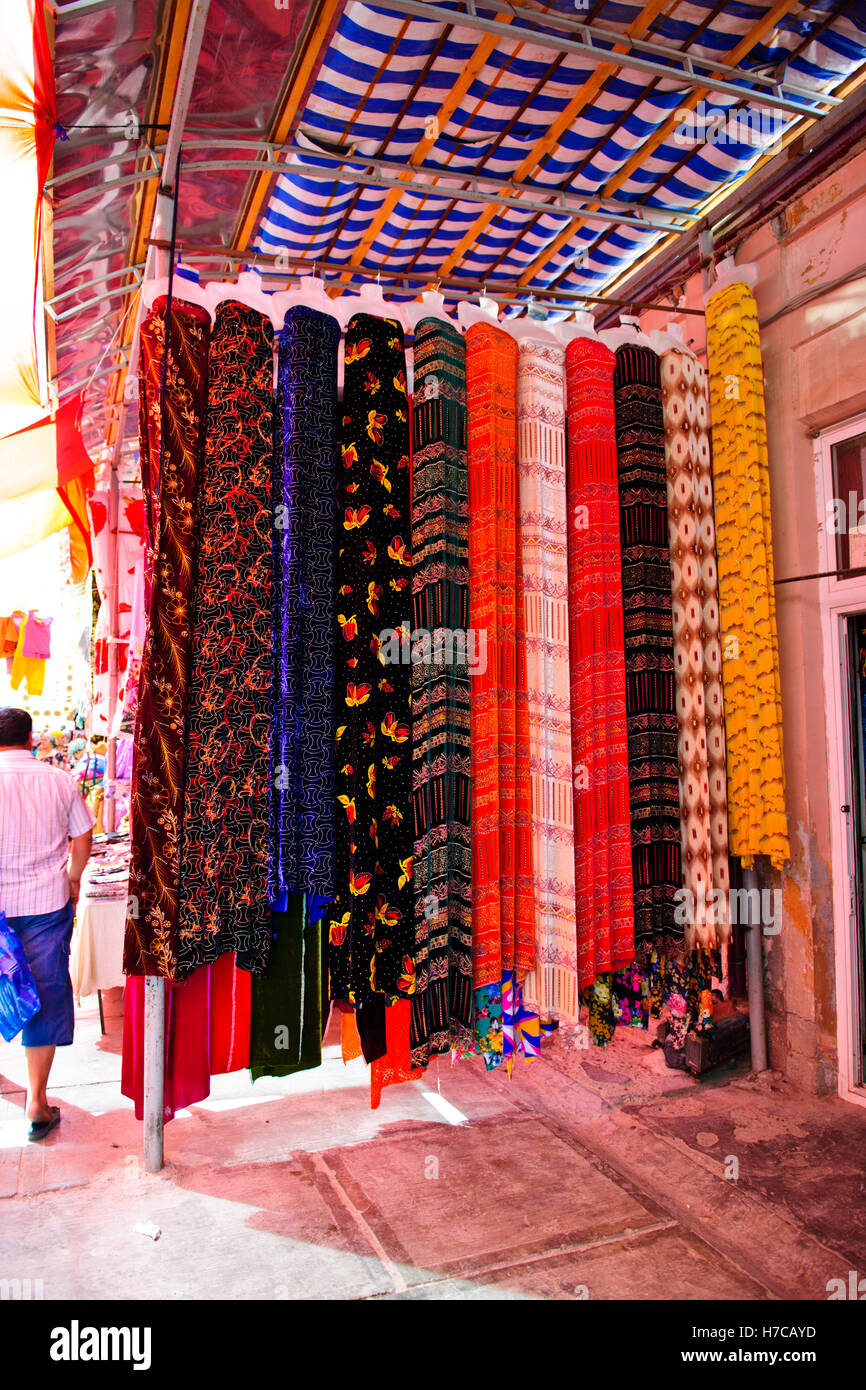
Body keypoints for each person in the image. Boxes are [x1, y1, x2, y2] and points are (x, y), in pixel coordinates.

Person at [0, 707, 94, 1140]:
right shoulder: (57, 780)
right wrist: (72, 880)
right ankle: (37, 1101)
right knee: (42, 993)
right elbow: (82, 835)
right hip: (43, 904)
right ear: (31, 738)